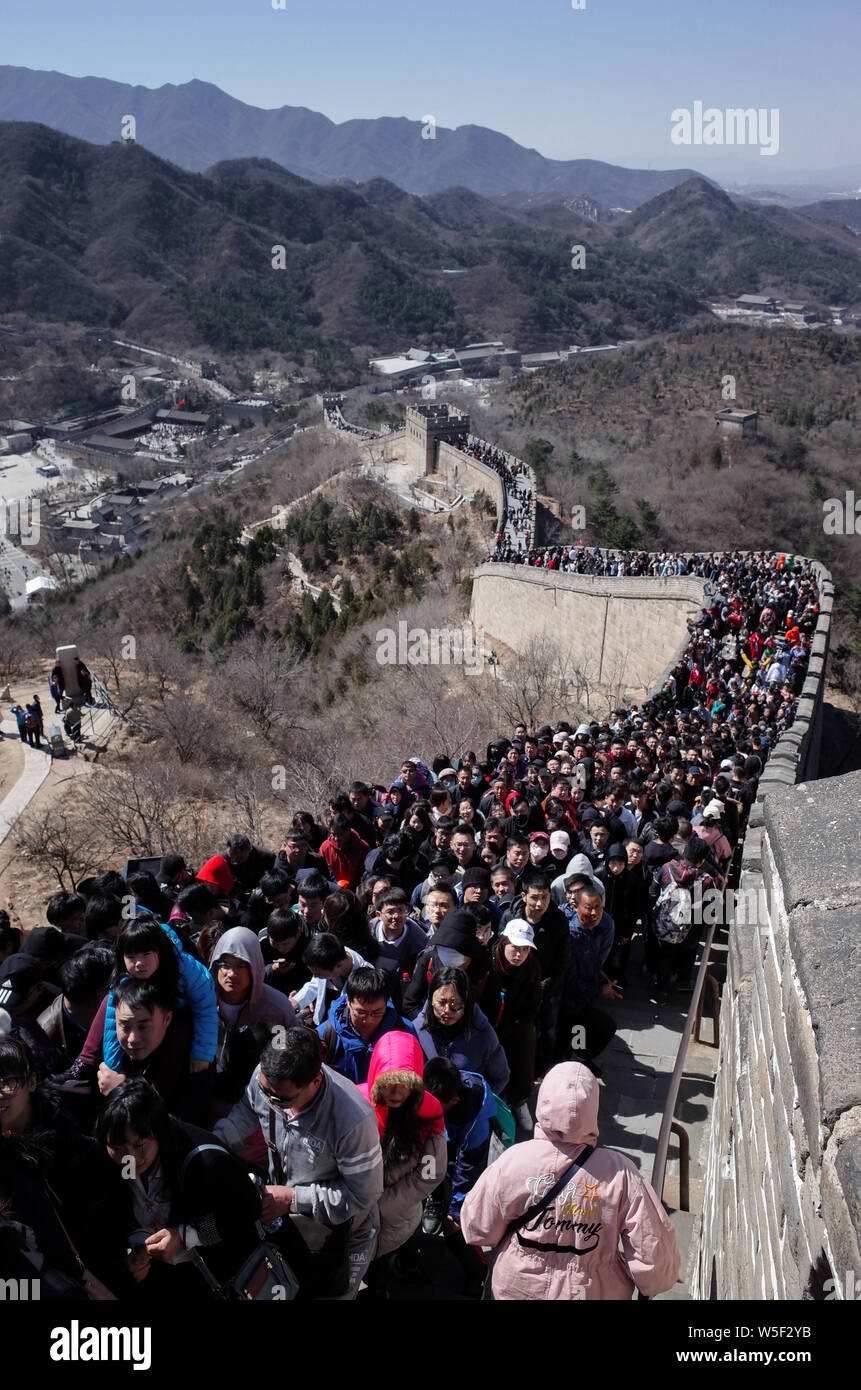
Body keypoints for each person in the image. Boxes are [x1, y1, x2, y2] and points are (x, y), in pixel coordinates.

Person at [460, 1061, 680, 1300]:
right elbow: (655, 1260)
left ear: (544, 1102)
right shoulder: (621, 1172)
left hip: (517, 1289)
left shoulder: (512, 1161)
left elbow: (477, 1230)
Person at [213, 1029, 384, 1299]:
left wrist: (293, 1198)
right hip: (284, 1217)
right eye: (264, 1090)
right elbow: (248, 1109)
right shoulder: (268, 1077)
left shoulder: (354, 1121)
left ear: (315, 1082)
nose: (270, 1102)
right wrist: (215, 1145)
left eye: (281, 1100)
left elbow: (362, 1194)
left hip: (341, 1233)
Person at [99, 1078, 264, 1300]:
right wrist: (131, 1255)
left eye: (139, 1146)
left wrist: (186, 1236)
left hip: (217, 1280)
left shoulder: (205, 1162)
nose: (129, 1159)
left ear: (157, 1132)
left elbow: (246, 1212)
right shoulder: (105, 1160)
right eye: (118, 1148)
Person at [358, 1031, 446, 1261]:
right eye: (389, 1085)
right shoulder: (356, 1106)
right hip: (357, 1216)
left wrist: (381, 1208)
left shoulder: (428, 1116)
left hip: (397, 1220)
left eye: (404, 1085)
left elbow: (428, 1174)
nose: (396, 1094)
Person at [208, 927, 295, 1106]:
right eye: (225, 965)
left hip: (256, 1099)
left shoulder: (276, 1009)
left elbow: (286, 1056)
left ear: (255, 967)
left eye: (241, 965)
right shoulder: (202, 1000)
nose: (232, 974)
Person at [422, 1057, 498, 1233]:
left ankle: (457, 1208)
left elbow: (467, 1169)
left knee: (463, 1173)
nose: (428, 1109)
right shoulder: (434, 1088)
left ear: (454, 1101)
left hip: (463, 1140)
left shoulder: (476, 1124)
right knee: (429, 1155)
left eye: (435, 1106)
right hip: (445, 1136)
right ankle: (435, 1196)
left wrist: (455, 1213)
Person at [413, 968, 510, 1094]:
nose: (446, 1010)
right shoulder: (416, 1030)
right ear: (431, 1000)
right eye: (441, 1003)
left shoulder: (483, 1033)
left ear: (467, 1002)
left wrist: (475, 1104)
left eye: (454, 1004)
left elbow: (500, 1077)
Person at [319, 965, 416, 1085]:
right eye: (361, 1012)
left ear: (387, 1002)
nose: (368, 1020)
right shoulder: (325, 1035)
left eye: (377, 1012)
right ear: (348, 1001)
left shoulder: (404, 1030)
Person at [491, 921, 542, 1130]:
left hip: (518, 1023)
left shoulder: (532, 968)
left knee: (523, 1062)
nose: (519, 954)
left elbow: (534, 1003)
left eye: (524, 949)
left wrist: (518, 1023)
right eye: (515, 948)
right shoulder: (490, 965)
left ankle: (519, 1102)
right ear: (504, 944)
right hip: (491, 1024)